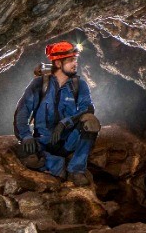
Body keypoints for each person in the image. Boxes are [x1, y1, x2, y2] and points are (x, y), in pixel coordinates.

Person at [13, 41, 101, 185]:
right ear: (59, 64)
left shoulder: (79, 85)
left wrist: (66, 123)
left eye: (75, 60)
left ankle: (75, 170)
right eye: (71, 60)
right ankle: (58, 166)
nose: (75, 64)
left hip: (67, 142)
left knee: (91, 122)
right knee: (24, 152)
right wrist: (26, 136)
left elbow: (87, 109)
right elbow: (22, 112)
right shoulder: (40, 84)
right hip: (43, 142)